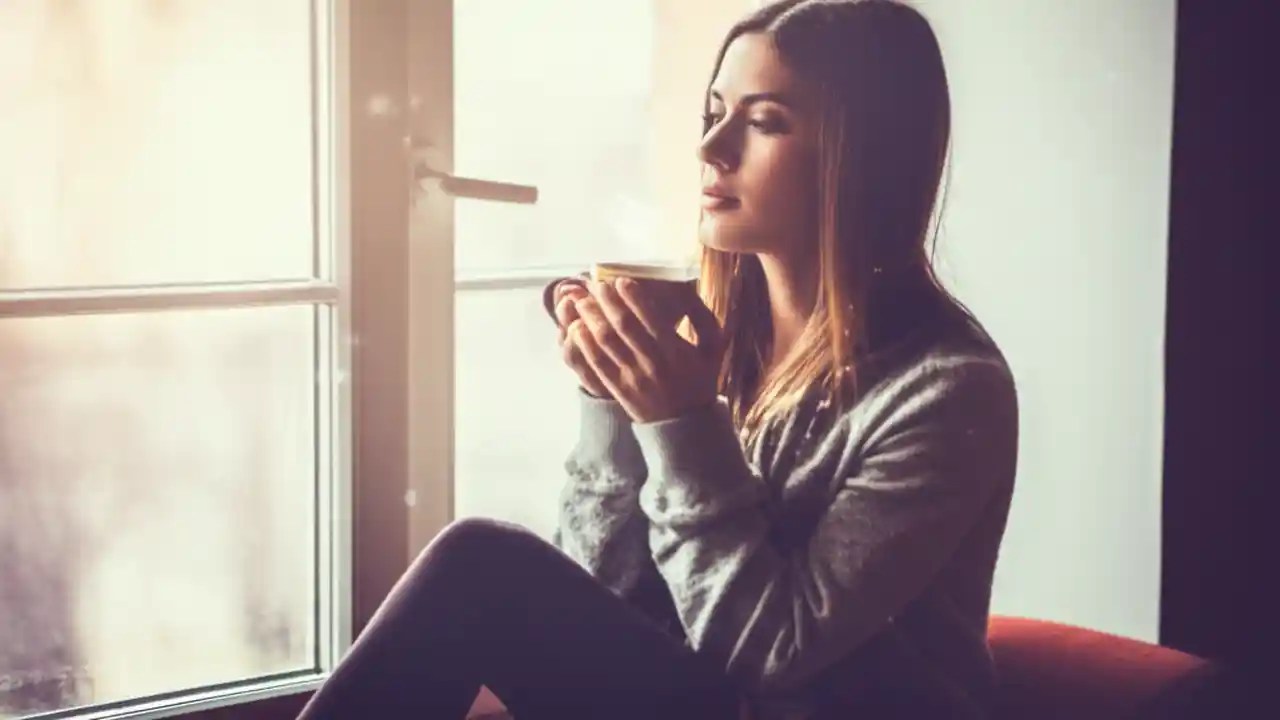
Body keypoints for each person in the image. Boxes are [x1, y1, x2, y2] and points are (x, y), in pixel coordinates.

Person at [297, 0, 1018, 717]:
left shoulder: (948, 393)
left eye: (764, 122)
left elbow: (770, 655)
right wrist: (611, 409)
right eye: (715, 113)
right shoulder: (713, 342)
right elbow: (603, 597)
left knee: (480, 564)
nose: (712, 148)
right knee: (482, 567)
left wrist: (680, 424)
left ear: (865, 158)